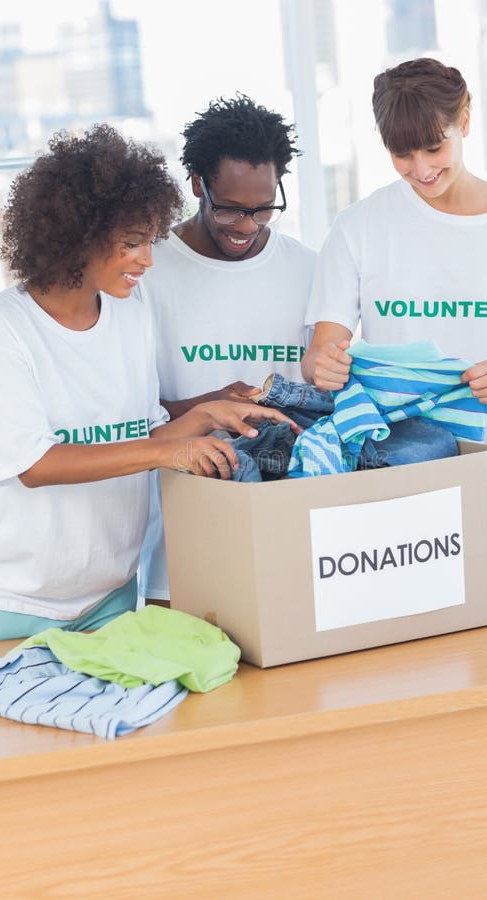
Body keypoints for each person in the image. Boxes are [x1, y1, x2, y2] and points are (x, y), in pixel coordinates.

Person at [0, 124, 298, 641]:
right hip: (12, 607)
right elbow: (38, 466)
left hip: (111, 599)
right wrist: (169, 453)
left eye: (150, 241)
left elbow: (139, 433)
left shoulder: (130, 314)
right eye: (132, 244)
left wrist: (207, 413)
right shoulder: (2, 332)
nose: (148, 261)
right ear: (75, 235)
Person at [301, 57, 487, 568]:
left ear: (464, 120)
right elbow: (319, 356)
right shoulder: (359, 226)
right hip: (392, 484)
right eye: (402, 154)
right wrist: (324, 366)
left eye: (434, 147)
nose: (421, 169)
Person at [133, 94, 317, 603]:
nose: (247, 226)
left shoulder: (308, 269)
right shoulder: (145, 273)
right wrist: (208, 407)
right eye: (231, 208)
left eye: (263, 209)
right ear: (197, 184)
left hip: (291, 533)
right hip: (180, 546)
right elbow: (129, 423)